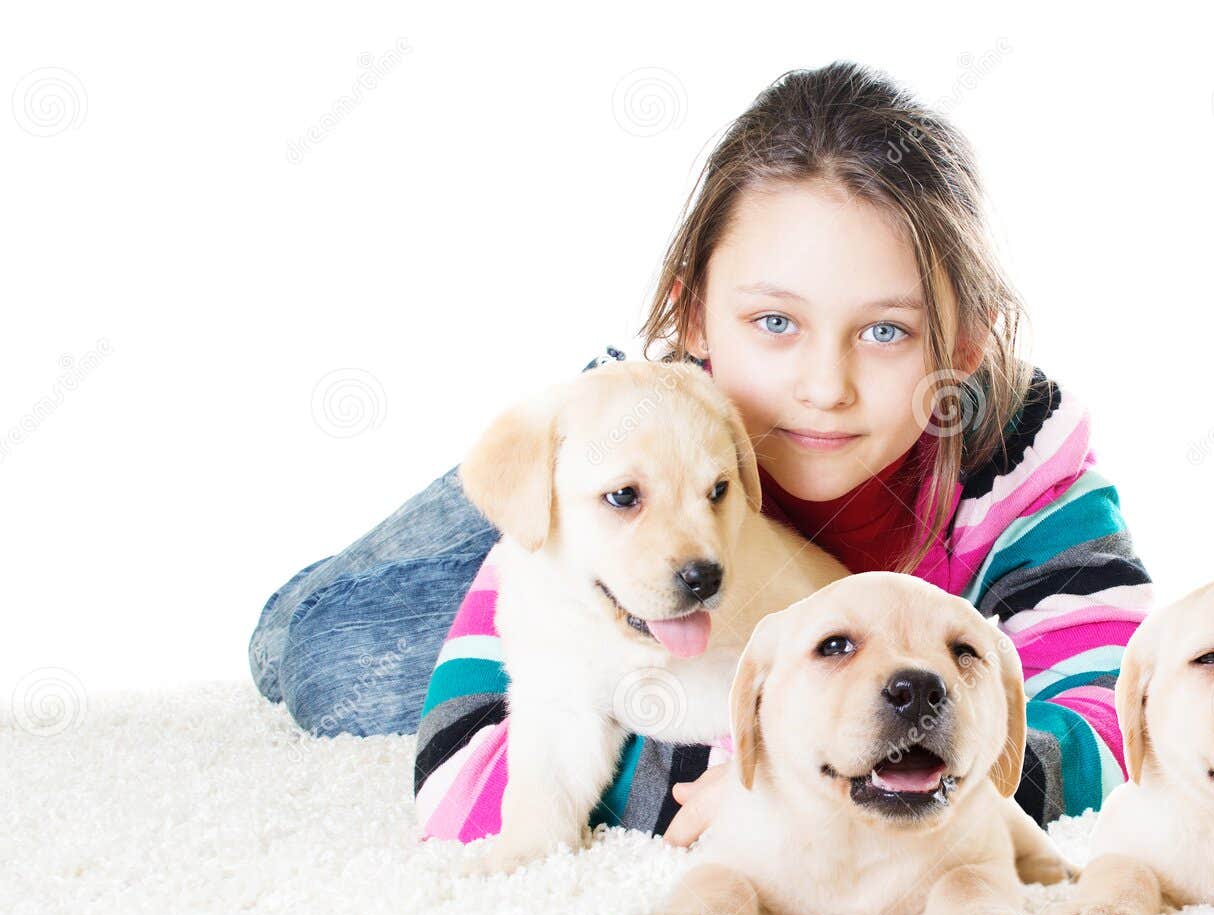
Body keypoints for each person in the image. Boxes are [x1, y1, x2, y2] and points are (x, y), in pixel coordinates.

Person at [248, 60, 1154, 849]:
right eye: (774, 322)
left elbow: (1121, 729)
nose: (824, 387)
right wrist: (777, 764)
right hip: (608, 455)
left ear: (961, 345)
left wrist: (829, 777)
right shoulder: (603, 474)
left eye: (886, 331)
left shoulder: (1022, 470)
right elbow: (468, 765)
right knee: (317, 652)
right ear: (694, 318)